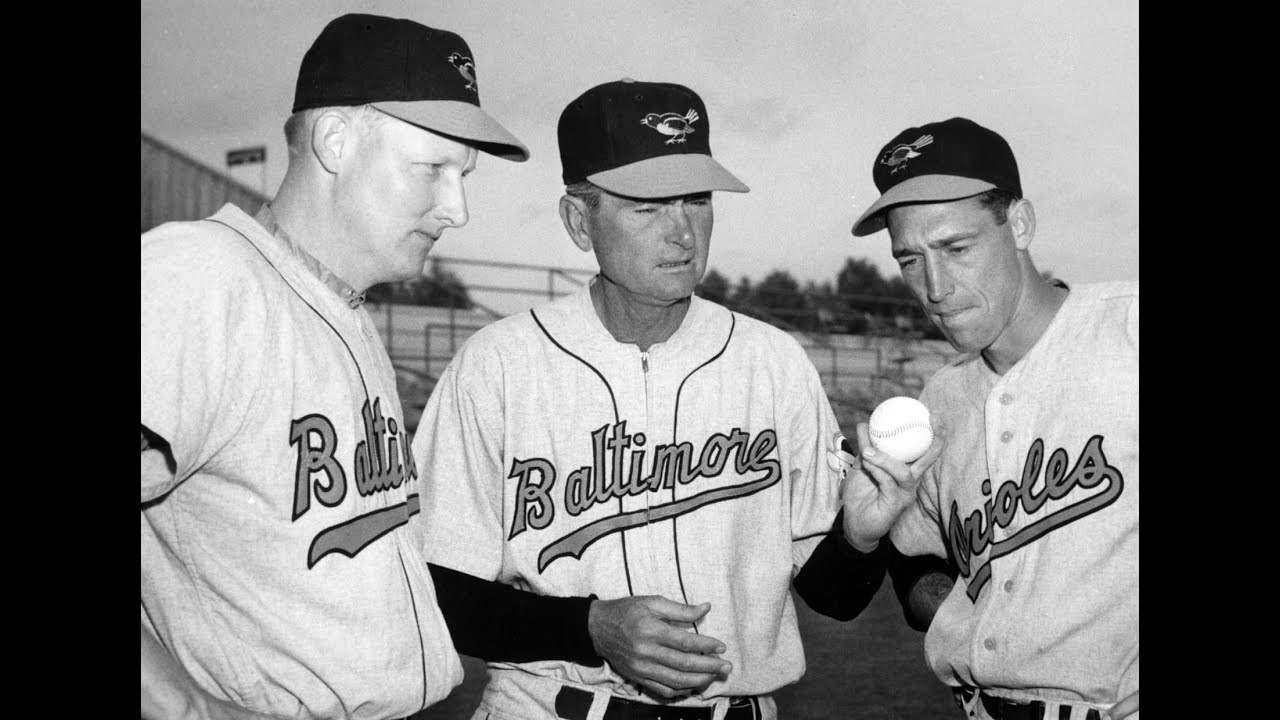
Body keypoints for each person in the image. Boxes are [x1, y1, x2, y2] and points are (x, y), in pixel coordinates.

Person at [411, 77, 937, 720]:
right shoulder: (497, 366)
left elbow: (835, 599)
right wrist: (589, 628)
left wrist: (857, 537)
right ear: (579, 221)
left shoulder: (773, 363)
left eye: (696, 200)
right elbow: (436, 592)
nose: (683, 233)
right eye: (647, 207)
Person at [141, 13, 540, 719]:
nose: (457, 209)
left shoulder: (342, 306)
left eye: (464, 175)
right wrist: (183, 706)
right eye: (433, 169)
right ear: (335, 140)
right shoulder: (200, 276)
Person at [850, 117, 1139, 720]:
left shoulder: (1126, 332)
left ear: (1020, 224)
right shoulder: (941, 399)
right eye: (910, 259)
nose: (934, 287)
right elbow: (916, 557)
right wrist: (955, 610)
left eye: (957, 249)